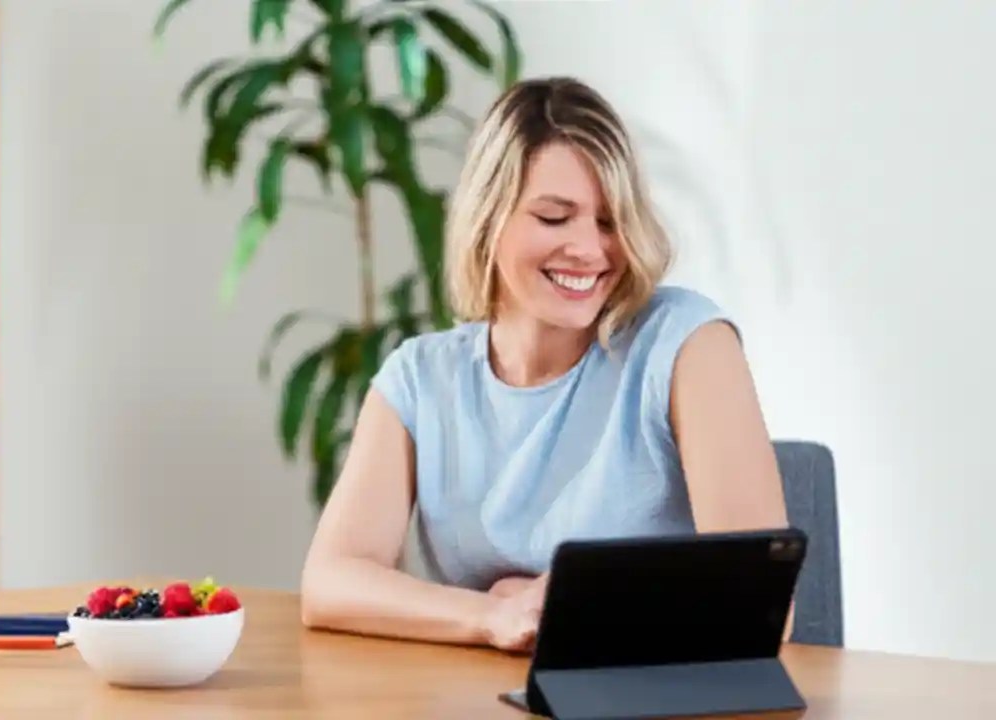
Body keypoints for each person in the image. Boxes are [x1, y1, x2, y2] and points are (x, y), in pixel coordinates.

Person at [298, 77, 788, 653]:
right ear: (488, 218)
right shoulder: (421, 377)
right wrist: (489, 615)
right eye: (555, 218)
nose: (589, 249)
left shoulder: (685, 344)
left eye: (609, 222)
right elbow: (330, 582)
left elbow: (761, 604)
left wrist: (552, 608)